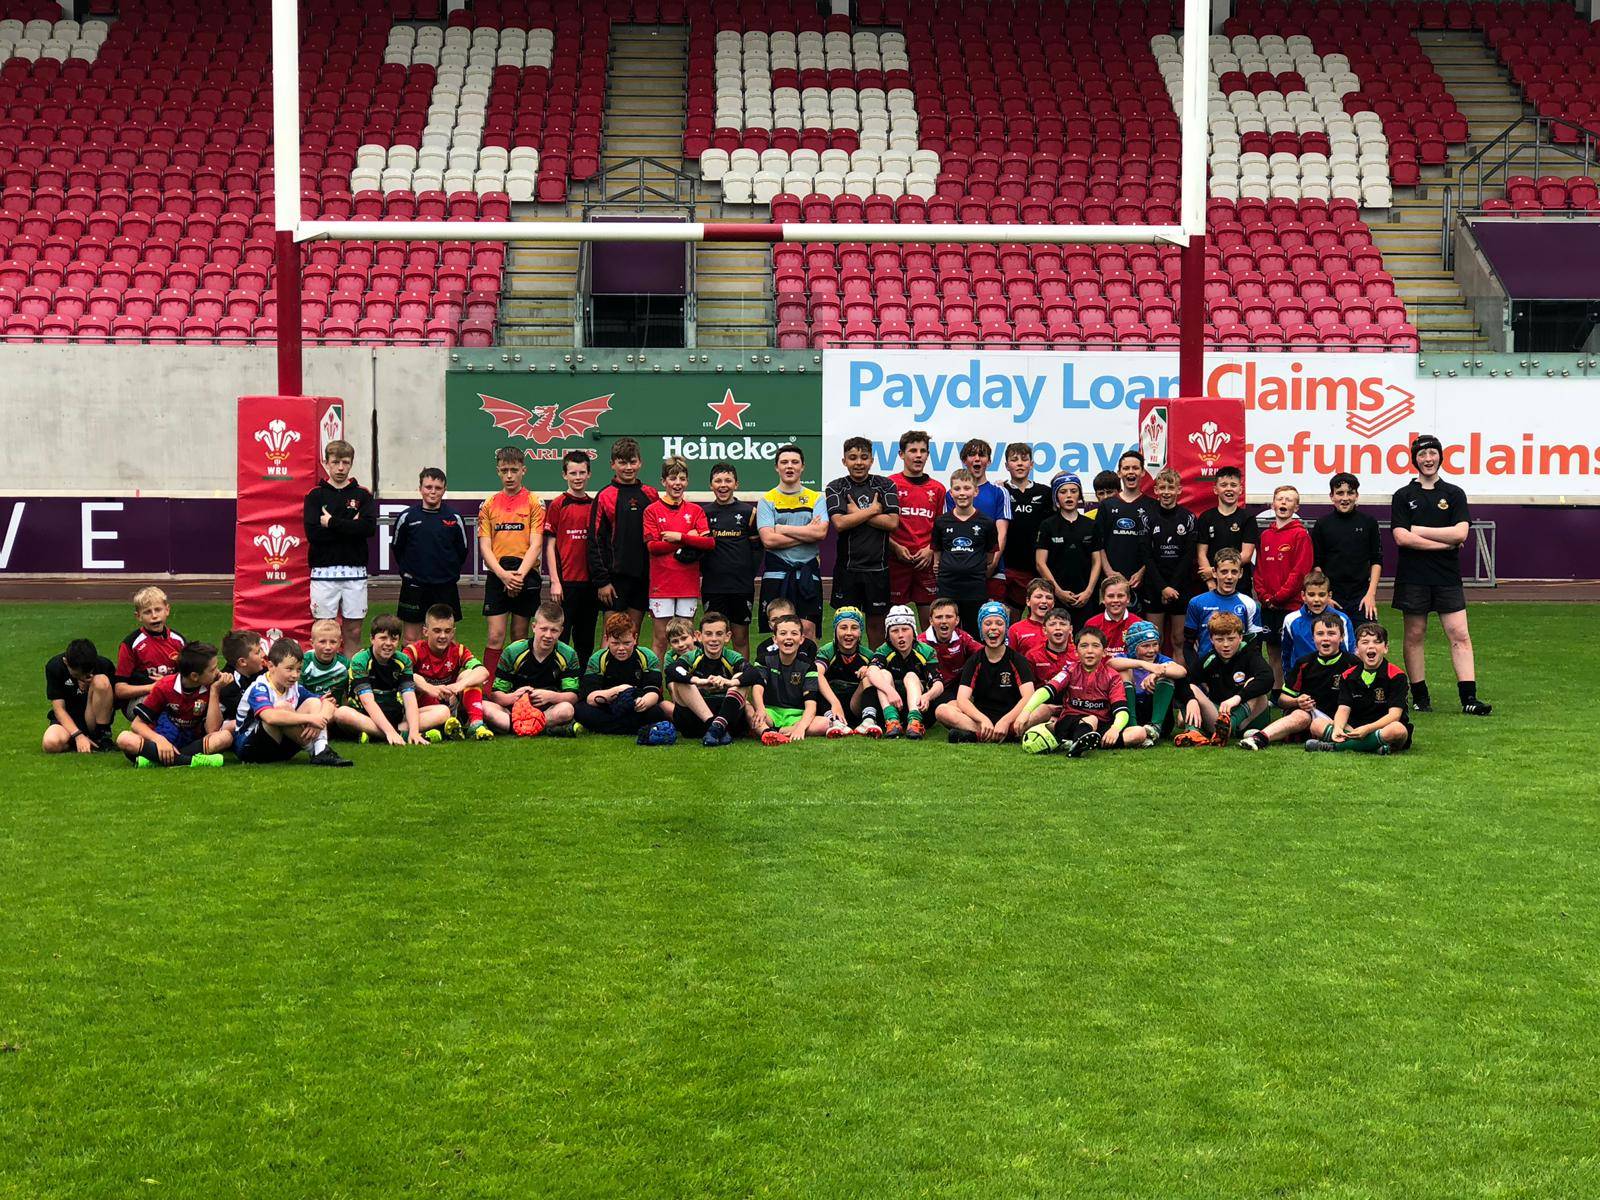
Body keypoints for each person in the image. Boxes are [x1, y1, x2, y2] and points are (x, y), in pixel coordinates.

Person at [1391, 434, 1491, 715]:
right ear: (1415, 460)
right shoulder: (1403, 496)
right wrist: (1445, 543)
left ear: (1440, 457)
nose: (1428, 459)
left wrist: (1419, 530)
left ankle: (1469, 699)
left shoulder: (1454, 493)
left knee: (1459, 633)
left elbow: (1461, 532)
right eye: (1422, 455)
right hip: (1413, 577)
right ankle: (1421, 698)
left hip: (1447, 577)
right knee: (1414, 634)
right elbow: (1401, 537)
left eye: (1432, 454)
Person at [303, 438, 378, 656]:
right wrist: (350, 526)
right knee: (325, 631)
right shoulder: (315, 495)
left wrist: (333, 523)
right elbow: (314, 534)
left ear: (351, 463)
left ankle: (353, 680)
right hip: (323, 572)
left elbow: (368, 529)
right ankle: (326, 677)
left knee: (353, 630)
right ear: (326, 462)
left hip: (355, 573)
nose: (340, 468)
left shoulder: (362, 494)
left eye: (345, 462)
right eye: (335, 462)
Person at [1240, 611, 1356, 751]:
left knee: (1323, 724)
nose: (1325, 639)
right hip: (1306, 717)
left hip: (1337, 720)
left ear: (1342, 637)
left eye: (1331, 634)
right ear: (1313, 638)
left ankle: (1277, 734)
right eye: (1320, 634)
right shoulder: (1304, 664)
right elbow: (1282, 700)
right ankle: (1260, 738)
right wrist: (1297, 701)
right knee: (1301, 716)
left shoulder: (1353, 664)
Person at [477, 445, 545, 682]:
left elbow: (536, 544)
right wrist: (504, 576)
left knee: (519, 635)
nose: (509, 475)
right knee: (495, 635)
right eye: (504, 470)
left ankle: (516, 685)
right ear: (498, 471)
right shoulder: (488, 504)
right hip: (498, 574)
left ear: (523, 470)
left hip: (527, 574)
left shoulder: (535, 502)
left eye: (514, 470)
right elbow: (485, 546)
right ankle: (488, 688)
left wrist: (518, 576)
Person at [1020, 626, 1144, 755]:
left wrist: (1115, 729)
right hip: (1069, 722)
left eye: (1095, 646)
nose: (1089, 651)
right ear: (1076, 651)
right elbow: (1047, 690)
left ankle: (1077, 742)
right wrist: (1026, 711)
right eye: (1084, 646)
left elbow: (1122, 710)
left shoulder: (1112, 676)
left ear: (1104, 652)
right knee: (1091, 719)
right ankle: (1077, 746)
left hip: (1101, 725)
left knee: (1139, 733)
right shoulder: (1069, 670)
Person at [825, 436, 901, 646]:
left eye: (864, 457)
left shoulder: (886, 485)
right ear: (844, 461)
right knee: (847, 623)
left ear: (871, 460)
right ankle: (845, 669)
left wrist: (859, 513)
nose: (858, 462)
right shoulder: (835, 487)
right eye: (853, 457)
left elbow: (893, 522)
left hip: (878, 570)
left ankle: (878, 669)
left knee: (876, 625)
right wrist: (875, 511)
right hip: (847, 570)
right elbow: (839, 523)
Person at [233, 637, 352, 766]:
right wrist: (310, 719)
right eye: (289, 669)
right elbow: (270, 717)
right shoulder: (260, 687)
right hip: (251, 749)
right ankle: (315, 751)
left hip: (280, 748)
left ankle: (321, 750)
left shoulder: (293, 686)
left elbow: (329, 703)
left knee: (314, 703)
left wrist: (319, 718)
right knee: (282, 709)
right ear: (271, 666)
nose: (295, 675)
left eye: (299, 669)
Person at [643, 455, 715, 657]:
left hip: (687, 585)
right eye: (673, 479)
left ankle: (686, 684)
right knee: (661, 640)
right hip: (662, 585)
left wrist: (678, 537)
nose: (677, 483)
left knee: (686, 640)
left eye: (682, 478)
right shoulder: (652, 511)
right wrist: (687, 538)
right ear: (663, 482)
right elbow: (653, 547)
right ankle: (655, 687)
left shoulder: (695, 510)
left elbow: (709, 543)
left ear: (687, 481)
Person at [114, 641, 229, 767]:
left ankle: (155, 761)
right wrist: (159, 740)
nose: (218, 672)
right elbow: (137, 724)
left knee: (225, 737)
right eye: (212, 669)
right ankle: (193, 761)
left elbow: (212, 729)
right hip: (161, 740)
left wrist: (214, 692)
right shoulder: (164, 686)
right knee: (124, 738)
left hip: (191, 743)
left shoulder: (213, 685)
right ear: (194, 676)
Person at [1306, 621, 1415, 753]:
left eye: (1376, 642)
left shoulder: (1397, 675)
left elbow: (1394, 716)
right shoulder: (1348, 675)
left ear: (1386, 648)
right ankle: (1374, 747)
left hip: (1383, 728)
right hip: (1354, 729)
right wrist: (1338, 728)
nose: (1371, 646)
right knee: (1316, 724)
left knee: (1398, 729)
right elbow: (1343, 709)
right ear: (1357, 649)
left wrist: (1368, 729)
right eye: (1365, 642)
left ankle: (1334, 747)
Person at [756, 444, 829, 640]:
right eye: (784, 462)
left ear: (803, 466)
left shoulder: (817, 498)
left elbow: (820, 533)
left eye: (795, 462)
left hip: (807, 573)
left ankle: (810, 671)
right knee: (778, 632)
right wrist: (807, 532)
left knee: (807, 630)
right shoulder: (767, 500)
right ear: (776, 467)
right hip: (776, 575)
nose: (790, 466)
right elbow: (768, 540)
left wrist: (782, 528)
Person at [935, 600, 1034, 743]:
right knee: (943, 710)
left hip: (1012, 717)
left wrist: (1006, 721)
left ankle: (981, 735)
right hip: (982, 718)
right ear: (981, 629)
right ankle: (998, 734)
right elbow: (962, 699)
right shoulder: (974, 661)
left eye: (999, 623)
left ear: (1006, 628)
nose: (993, 628)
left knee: (1041, 710)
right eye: (988, 624)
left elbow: (1028, 696)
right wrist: (983, 719)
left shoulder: (1017, 659)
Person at [589, 437, 659, 634]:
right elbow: (595, 541)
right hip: (614, 579)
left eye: (632, 462)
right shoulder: (605, 496)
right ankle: (602, 666)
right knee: (612, 634)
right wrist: (602, 581)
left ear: (640, 463)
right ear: (613, 464)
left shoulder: (651, 494)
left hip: (642, 577)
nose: (628, 467)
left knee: (631, 633)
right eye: (622, 462)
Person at [392, 466, 469, 645]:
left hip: (445, 586)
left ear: (444, 490)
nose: (432, 492)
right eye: (428, 487)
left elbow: (462, 550)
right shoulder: (407, 517)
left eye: (437, 488)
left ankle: (447, 673)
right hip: (414, 586)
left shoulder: (454, 517)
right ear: (420, 488)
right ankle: (411, 674)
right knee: (411, 638)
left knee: (447, 637)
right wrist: (409, 573)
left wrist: (448, 572)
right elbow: (397, 547)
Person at [349, 613, 450, 746]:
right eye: (383, 638)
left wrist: (414, 731)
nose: (388, 644)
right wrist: (390, 731)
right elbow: (368, 702)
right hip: (367, 715)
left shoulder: (403, 660)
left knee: (443, 711)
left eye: (394, 639)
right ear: (372, 639)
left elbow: (409, 698)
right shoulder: (360, 660)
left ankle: (379, 734)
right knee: (342, 713)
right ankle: (395, 734)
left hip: (396, 715)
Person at [484, 600, 579, 737]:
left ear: (561, 631)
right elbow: (496, 695)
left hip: (547, 709)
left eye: (554, 630)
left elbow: (573, 696)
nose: (548, 635)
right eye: (544, 629)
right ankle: (543, 729)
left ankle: (515, 727)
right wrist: (515, 697)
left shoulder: (568, 654)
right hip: (514, 709)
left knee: (567, 709)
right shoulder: (513, 651)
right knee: (484, 706)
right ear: (534, 627)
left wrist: (550, 696)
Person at [574, 611, 674, 742]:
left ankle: (609, 727)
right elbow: (590, 698)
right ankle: (631, 727)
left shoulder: (647, 656)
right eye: (615, 643)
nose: (621, 648)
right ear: (606, 639)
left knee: (656, 712)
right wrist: (620, 690)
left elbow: (654, 691)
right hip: (607, 706)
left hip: (636, 706)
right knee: (581, 711)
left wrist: (643, 702)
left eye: (626, 643)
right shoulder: (597, 659)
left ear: (635, 638)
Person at [1180, 611, 1273, 745]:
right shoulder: (1209, 659)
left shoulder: (1251, 654)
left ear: (1240, 637)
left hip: (1251, 718)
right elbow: (1185, 682)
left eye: (1231, 639)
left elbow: (1268, 678)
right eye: (1219, 639)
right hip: (1219, 716)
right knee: (1189, 689)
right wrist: (1190, 701)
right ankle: (1193, 733)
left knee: (1256, 685)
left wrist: (1237, 698)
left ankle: (1229, 727)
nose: (1225, 645)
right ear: (1211, 639)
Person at [543, 450, 600, 667]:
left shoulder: (594, 505)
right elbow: (550, 545)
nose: (577, 477)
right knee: (561, 636)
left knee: (585, 639)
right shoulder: (558, 504)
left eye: (582, 472)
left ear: (589, 475)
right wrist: (555, 581)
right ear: (564, 475)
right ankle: (558, 678)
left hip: (590, 583)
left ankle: (581, 685)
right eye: (573, 473)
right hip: (566, 584)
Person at [1254, 484, 1315, 681]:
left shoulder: (1300, 535)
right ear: (1273, 504)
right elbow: (1259, 570)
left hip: (1290, 605)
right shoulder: (1265, 535)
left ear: (1296, 508)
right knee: (1272, 649)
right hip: (1268, 605)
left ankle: (1296, 690)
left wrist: (1279, 597)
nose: (1283, 502)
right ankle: (1277, 691)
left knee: (1293, 649)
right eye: (1280, 499)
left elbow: (1300, 573)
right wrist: (1264, 597)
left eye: (1289, 500)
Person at [406, 604, 493, 741]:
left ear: (453, 632)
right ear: (425, 631)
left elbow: (483, 672)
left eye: (447, 631)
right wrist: (430, 688)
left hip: (452, 704)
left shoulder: (458, 650)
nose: (442, 636)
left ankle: (476, 724)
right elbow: (399, 673)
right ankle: (441, 728)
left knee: (469, 674)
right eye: (437, 630)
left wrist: (459, 686)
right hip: (425, 709)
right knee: (413, 677)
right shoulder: (414, 651)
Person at [888, 429, 948, 624]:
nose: (918, 455)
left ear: (928, 455)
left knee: (931, 622)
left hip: (926, 562)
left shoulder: (938, 489)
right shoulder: (890, 485)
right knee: (895, 622)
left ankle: (929, 655)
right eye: (913, 450)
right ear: (901, 454)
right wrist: (895, 547)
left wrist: (930, 549)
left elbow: (942, 527)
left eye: (923, 451)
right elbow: (881, 525)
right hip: (896, 561)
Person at [662, 612, 749, 746]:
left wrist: (729, 682)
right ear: (699, 636)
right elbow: (671, 671)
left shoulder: (731, 656)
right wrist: (698, 681)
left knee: (741, 678)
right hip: (694, 720)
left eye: (719, 634)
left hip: (725, 716)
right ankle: (713, 726)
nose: (713, 639)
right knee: (681, 682)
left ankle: (718, 726)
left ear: (727, 637)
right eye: (708, 634)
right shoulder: (690, 657)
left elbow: (754, 673)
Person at [1107, 619, 1195, 745]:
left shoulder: (1160, 659)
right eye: (1145, 646)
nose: (1152, 650)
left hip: (1159, 718)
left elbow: (1181, 671)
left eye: (1155, 644)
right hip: (1132, 714)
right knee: (1123, 672)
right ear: (1133, 647)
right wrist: (1145, 665)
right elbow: (1110, 664)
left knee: (1167, 674)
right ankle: (1133, 727)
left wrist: (1157, 673)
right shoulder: (1124, 658)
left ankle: (1155, 727)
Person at [702, 462, 759, 655]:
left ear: (737, 484)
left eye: (728, 480)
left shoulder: (748, 512)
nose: (723, 485)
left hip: (741, 587)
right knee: (713, 636)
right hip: (713, 586)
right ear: (710, 485)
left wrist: (748, 574)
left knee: (740, 637)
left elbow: (757, 549)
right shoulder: (703, 513)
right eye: (718, 481)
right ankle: (712, 682)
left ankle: (742, 682)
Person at [932, 468, 999, 632]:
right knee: (946, 634)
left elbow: (990, 557)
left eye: (967, 488)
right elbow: (937, 552)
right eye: (957, 488)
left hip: (975, 588)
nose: (962, 493)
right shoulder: (941, 522)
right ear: (951, 492)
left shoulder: (987, 522)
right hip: (948, 587)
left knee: (974, 634)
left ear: (975, 491)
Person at [945, 438, 1012, 602]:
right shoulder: (951, 494)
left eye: (982, 455)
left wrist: (992, 565)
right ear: (964, 461)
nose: (977, 458)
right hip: (960, 571)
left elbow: (1001, 532)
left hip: (994, 570)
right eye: (971, 455)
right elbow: (948, 532)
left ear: (988, 461)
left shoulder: (999, 492)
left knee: (992, 623)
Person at [1140, 466, 1197, 654]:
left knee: (1178, 640)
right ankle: (1154, 683)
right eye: (1162, 488)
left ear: (1179, 490)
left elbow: (1188, 556)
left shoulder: (1188, 518)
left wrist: (1172, 586)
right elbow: (1146, 556)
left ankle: (1178, 683)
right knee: (1154, 640)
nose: (1166, 493)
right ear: (1156, 490)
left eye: (1171, 488)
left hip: (1180, 585)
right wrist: (1162, 587)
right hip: (1154, 585)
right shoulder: (1148, 517)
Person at [1311, 472, 1383, 621]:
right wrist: (1326, 596)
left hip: (1362, 596)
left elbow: (1376, 560)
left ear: (1357, 495)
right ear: (1331, 496)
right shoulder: (1322, 524)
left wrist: (1371, 594)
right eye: (1339, 493)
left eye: (1350, 493)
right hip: (1332, 597)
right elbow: (1317, 564)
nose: (1345, 498)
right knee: (1330, 641)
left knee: (1367, 640)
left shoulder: (1368, 522)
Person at [747, 612, 827, 744]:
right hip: (770, 712)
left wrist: (801, 727)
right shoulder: (764, 659)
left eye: (794, 634)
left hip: (796, 715)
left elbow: (811, 705)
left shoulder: (808, 666)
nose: (788, 638)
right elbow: (757, 688)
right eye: (783, 633)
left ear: (801, 639)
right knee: (747, 707)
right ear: (775, 638)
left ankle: (774, 731)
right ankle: (768, 731)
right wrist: (760, 709)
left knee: (824, 723)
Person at [1034, 472, 1100, 631]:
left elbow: (1097, 561)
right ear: (1056, 497)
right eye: (1063, 492)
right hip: (1057, 596)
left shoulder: (1090, 525)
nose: (1069, 496)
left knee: (1084, 638)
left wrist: (1089, 591)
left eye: (1073, 491)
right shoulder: (1048, 525)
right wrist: (1058, 591)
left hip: (1085, 595)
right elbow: (1040, 563)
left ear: (1080, 495)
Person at [870, 604, 941, 739]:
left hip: (921, 707)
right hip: (892, 704)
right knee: (883, 674)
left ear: (913, 632)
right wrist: (890, 691)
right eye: (895, 631)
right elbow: (871, 671)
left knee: (911, 676)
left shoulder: (926, 651)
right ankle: (892, 721)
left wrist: (928, 696)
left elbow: (939, 683)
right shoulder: (884, 650)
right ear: (888, 635)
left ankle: (915, 722)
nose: (901, 635)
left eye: (905, 629)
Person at [1183, 548, 1263, 664]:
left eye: (1234, 572)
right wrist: (1197, 672)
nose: (1229, 577)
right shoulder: (1197, 603)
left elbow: (1256, 647)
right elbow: (1188, 646)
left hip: (1238, 672)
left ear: (1240, 573)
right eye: (1224, 572)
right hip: (1206, 670)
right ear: (1214, 572)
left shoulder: (1250, 604)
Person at [1093, 448, 1157, 592]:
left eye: (1135, 468)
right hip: (1111, 581)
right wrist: (1109, 572)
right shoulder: (1107, 505)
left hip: (1143, 580)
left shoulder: (1153, 506)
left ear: (1143, 472)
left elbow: (1156, 544)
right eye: (1126, 468)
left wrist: (1143, 571)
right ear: (1119, 473)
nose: (1131, 472)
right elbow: (1098, 543)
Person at [816, 606, 884, 737]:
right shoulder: (827, 651)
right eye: (843, 627)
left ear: (860, 632)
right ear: (835, 630)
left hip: (855, 706)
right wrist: (835, 703)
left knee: (872, 675)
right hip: (830, 705)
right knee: (814, 677)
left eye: (854, 628)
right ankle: (834, 722)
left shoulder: (868, 655)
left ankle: (868, 721)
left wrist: (870, 670)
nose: (848, 633)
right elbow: (817, 674)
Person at [114, 585, 186, 709]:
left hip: (171, 693)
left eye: (158, 610)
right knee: (161, 702)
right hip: (140, 699)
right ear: (138, 616)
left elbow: (190, 676)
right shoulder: (131, 644)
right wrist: (152, 687)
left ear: (167, 610)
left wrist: (166, 682)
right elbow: (120, 689)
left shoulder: (179, 641)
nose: (154, 616)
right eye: (147, 612)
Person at [999, 442, 1052, 609]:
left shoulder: (1045, 492)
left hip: (1035, 565)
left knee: (1038, 614)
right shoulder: (1001, 490)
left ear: (1032, 464)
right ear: (1007, 465)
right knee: (1009, 613)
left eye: (1024, 459)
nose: (1020, 463)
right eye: (1014, 460)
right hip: (1007, 564)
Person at [298, 619, 369, 739]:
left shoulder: (345, 665)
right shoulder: (304, 662)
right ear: (312, 642)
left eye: (333, 642)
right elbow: (296, 691)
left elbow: (350, 695)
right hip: (310, 710)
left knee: (344, 714)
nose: (328, 647)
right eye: (322, 642)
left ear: (340, 643)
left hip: (334, 713)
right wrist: (318, 699)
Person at [42, 638, 115, 754]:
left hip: (93, 717)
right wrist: (78, 735)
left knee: (101, 681)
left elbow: (112, 703)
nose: (82, 677)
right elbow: (58, 708)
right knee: (50, 743)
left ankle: (102, 737)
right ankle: (78, 742)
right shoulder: (54, 666)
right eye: (77, 674)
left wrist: (92, 687)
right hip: (67, 719)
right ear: (66, 662)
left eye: (86, 674)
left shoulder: (104, 665)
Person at [1195, 465, 1257, 594]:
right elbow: (1201, 553)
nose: (1229, 489)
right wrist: (1211, 581)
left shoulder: (1248, 518)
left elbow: (1246, 555)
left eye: (1233, 485)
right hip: (1210, 584)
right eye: (1224, 485)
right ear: (1215, 489)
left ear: (1240, 489)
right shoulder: (1206, 517)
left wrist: (1219, 570)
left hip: (1239, 586)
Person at [1280, 569, 1355, 674]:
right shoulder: (1291, 620)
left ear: (1329, 596)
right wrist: (1290, 679)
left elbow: (1349, 653)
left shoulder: (1342, 619)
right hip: (1303, 678)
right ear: (1303, 596)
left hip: (1334, 678)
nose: (1316, 599)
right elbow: (1286, 654)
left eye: (1321, 595)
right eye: (1311, 594)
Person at [214, 628, 267, 740]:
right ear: (242, 662)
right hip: (231, 727)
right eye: (258, 652)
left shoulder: (262, 671)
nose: (263, 654)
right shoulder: (227, 683)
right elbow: (245, 712)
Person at [922, 596, 981, 693]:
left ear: (957, 620)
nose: (944, 621)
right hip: (931, 689)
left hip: (957, 688)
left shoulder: (963, 637)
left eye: (949, 617)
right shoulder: (921, 642)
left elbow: (984, 653)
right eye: (939, 617)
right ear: (931, 621)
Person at [1083, 573, 1142, 654]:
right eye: (1110, 596)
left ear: (1128, 598)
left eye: (1120, 596)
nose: (1115, 600)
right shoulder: (1092, 624)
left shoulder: (1138, 624)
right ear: (1103, 599)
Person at [1025, 607, 1078, 685]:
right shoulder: (1033, 656)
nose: (1058, 628)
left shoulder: (1078, 654)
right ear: (1044, 630)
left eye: (1063, 624)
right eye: (1052, 624)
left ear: (1070, 629)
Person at [1007, 579, 1055, 657]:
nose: (1044, 601)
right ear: (1028, 601)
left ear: (1053, 603)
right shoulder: (1015, 630)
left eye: (1049, 598)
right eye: (1038, 597)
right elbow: (1010, 659)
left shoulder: (1060, 628)